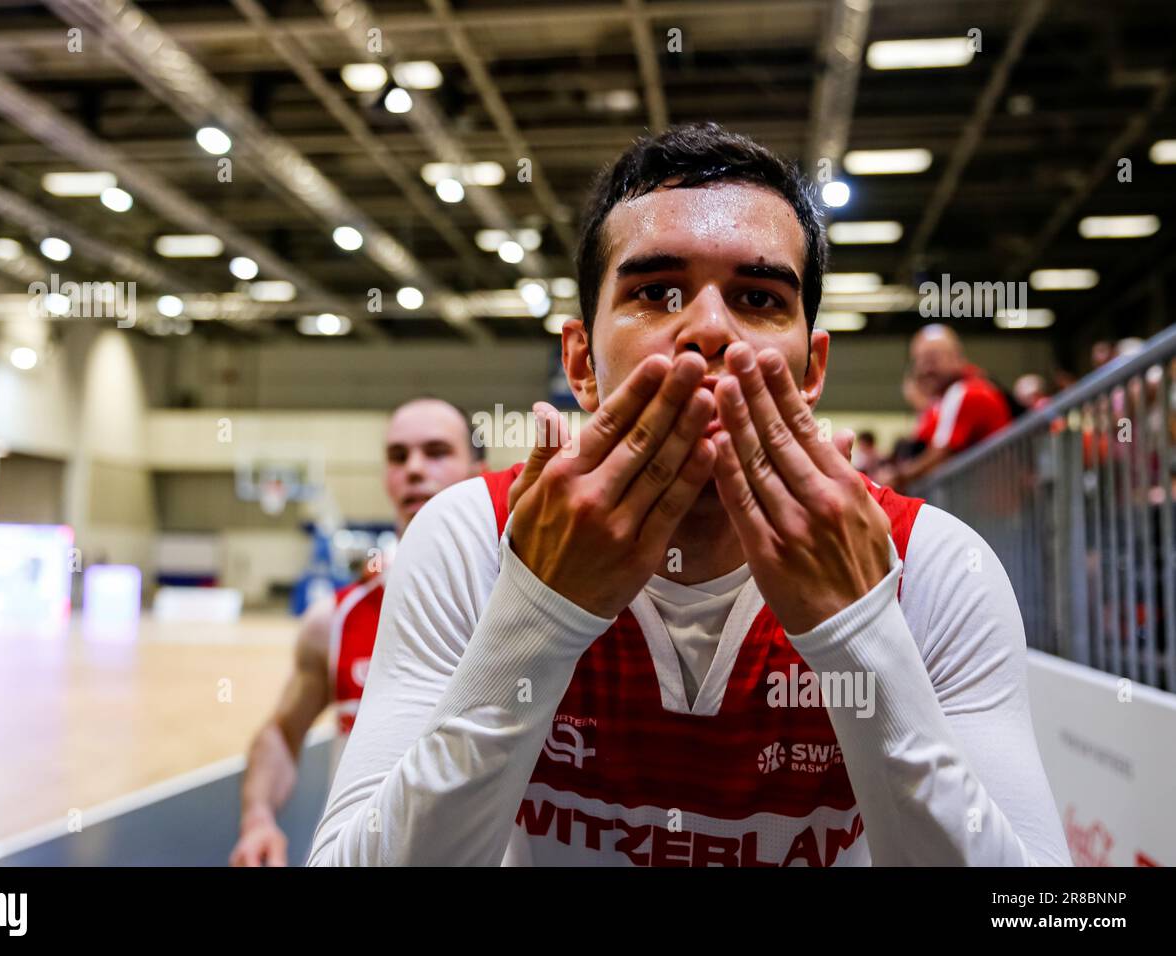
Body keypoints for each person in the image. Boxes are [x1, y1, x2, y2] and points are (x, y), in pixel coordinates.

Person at [309, 122, 1070, 866]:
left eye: (760, 298)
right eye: (657, 291)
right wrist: (537, 615)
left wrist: (858, 633)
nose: (708, 329)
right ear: (579, 362)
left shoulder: (934, 565)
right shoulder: (469, 539)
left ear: (811, 371)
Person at [229, 397, 484, 866]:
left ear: (476, 471)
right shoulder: (334, 621)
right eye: (397, 456)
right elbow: (282, 734)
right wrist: (258, 818)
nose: (413, 468)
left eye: (436, 451)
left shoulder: (513, 612)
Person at [883, 324, 1013, 487]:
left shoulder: (964, 392)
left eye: (932, 359)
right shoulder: (954, 396)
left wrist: (897, 478)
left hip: (991, 499)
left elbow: (940, 454)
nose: (924, 370)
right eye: (919, 361)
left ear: (957, 358)